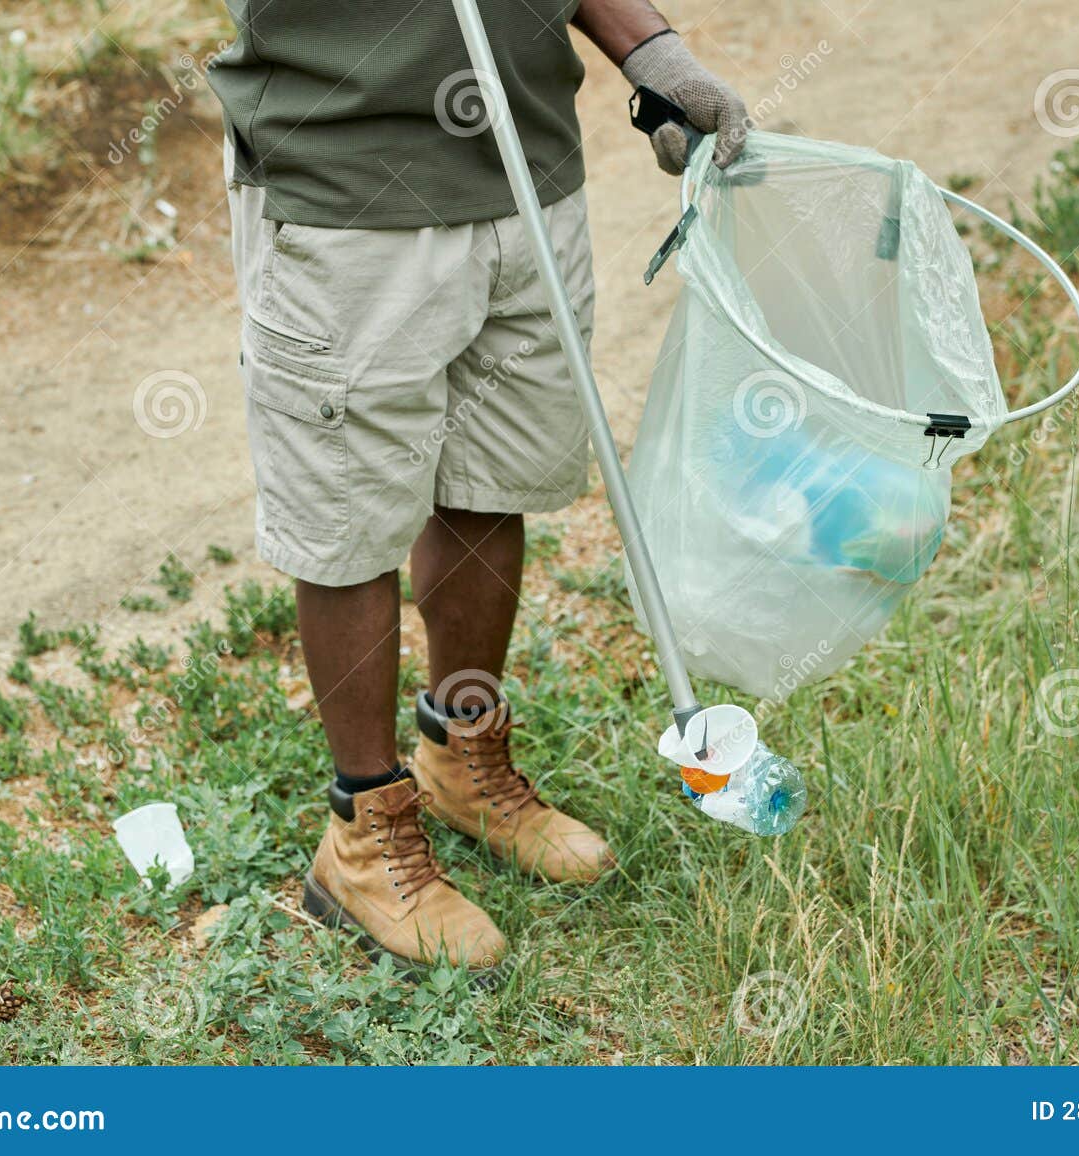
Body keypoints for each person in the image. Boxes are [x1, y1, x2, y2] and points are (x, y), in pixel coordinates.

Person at [208, 1, 747, 976]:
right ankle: (364, 834)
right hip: (347, 191)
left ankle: (462, 756)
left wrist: (649, 47)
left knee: (487, 478)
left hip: (525, 168)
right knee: (348, 520)